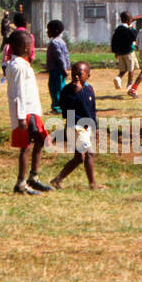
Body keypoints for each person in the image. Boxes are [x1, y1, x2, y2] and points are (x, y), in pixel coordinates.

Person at [5, 29, 52, 195]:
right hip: (25, 113)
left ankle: (34, 177)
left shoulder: (23, 64)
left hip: (32, 110)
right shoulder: (17, 66)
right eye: (30, 45)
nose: (31, 48)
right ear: (24, 47)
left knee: (40, 140)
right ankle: (21, 183)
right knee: (26, 147)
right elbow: (18, 93)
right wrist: (21, 117)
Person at [51, 61, 102, 190]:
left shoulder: (89, 89)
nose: (77, 77)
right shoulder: (68, 91)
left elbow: (91, 110)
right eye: (74, 74)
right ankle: (92, 184)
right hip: (75, 126)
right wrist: (77, 93)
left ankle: (57, 179)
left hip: (87, 127)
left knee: (79, 158)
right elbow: (67, 110)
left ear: (88, 75)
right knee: (89, 153)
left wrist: (95, 127)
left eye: (80, 74)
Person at [45, 20, 70, 115]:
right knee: (61, 87)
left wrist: (64, 68)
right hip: (61, 70)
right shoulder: (61, 42)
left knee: (55, 88)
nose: (47, 32)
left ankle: (57, 107)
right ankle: (63, 106)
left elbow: (60, 57)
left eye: (48, 30)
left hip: (56, 70)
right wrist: (67, 67)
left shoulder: (54, 43)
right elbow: (66, 56)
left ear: (54, 31)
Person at [109, 12, 137, 91]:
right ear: (129, 20)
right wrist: (133, 29)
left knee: (123, 69)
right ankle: (129, 84)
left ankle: (118, 78)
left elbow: (114, 41)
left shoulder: (117, 30)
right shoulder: (128, 30)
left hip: (120, 53)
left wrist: (115, 52)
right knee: (131, 68)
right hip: (129, 52)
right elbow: (134, 37)